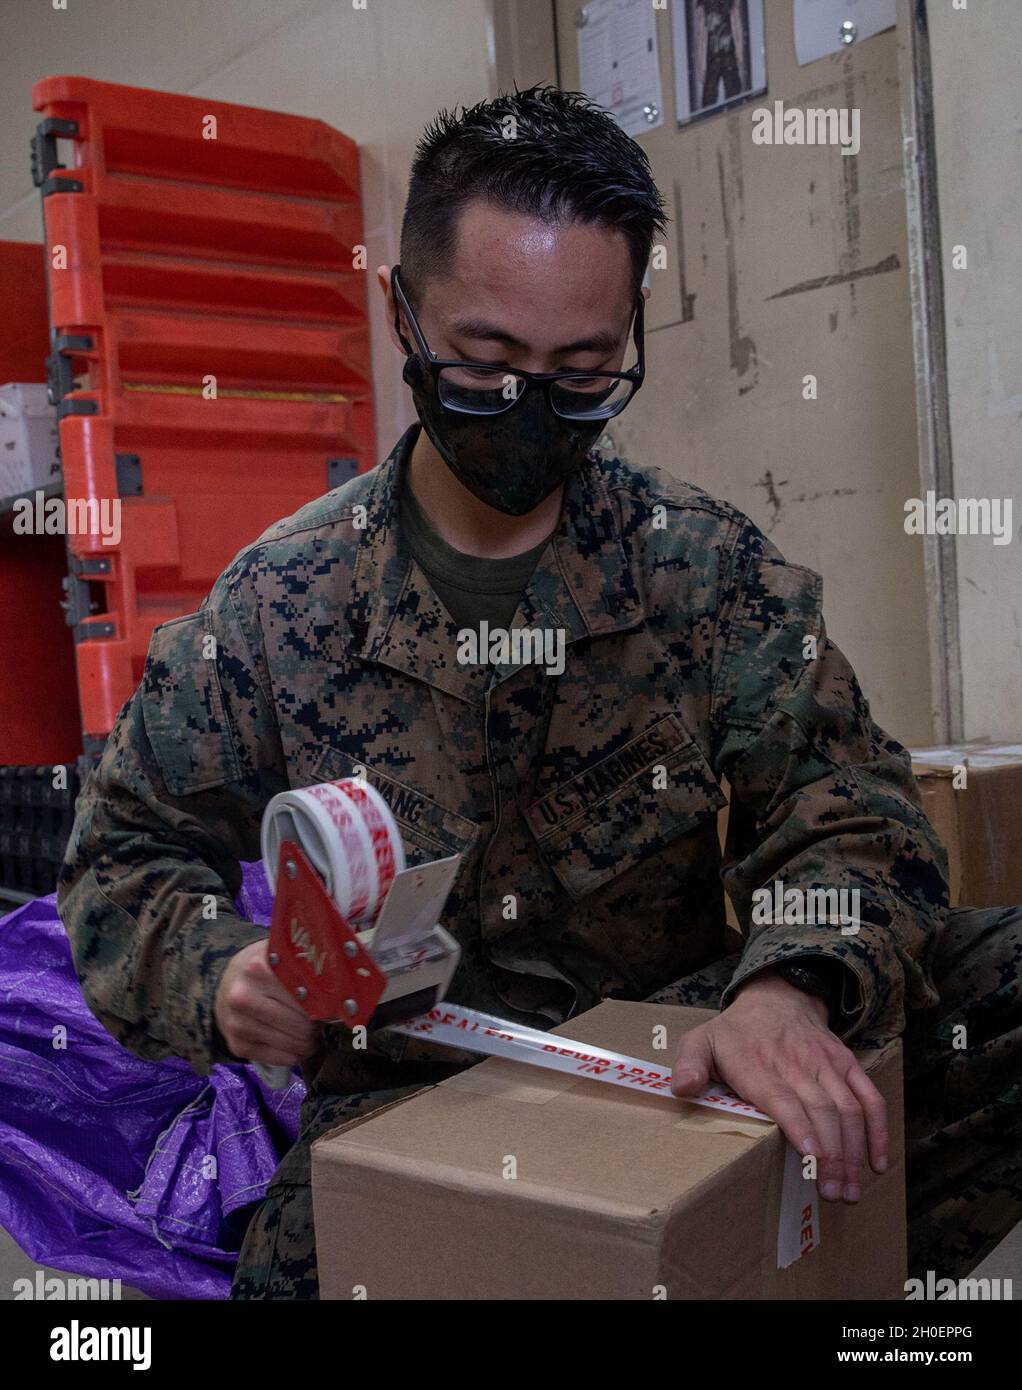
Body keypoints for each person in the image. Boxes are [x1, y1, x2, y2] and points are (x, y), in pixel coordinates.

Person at [57, 86, 1020, 1299]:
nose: (528, 409)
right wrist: (224, 974)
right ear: (399, 312)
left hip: (677, 1056)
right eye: (486, 362)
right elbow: (120, 861)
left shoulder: (698, 563)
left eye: (580, 373)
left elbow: (849, 802)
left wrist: (792, 984)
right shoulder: (276, 605)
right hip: (406, 1098)